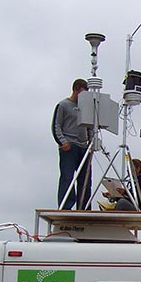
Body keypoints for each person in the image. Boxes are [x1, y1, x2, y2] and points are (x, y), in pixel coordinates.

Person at [52, 79, 92, 209]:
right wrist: (62, 142)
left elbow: (90, 127)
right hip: (69, 146)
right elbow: (56, 125)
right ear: (76, 89)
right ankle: (66, 206)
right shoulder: (63, 105)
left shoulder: (85, 108)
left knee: (85, 180)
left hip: (83, 147)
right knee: (67, 177)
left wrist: (91, 142)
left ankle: (84, 207)